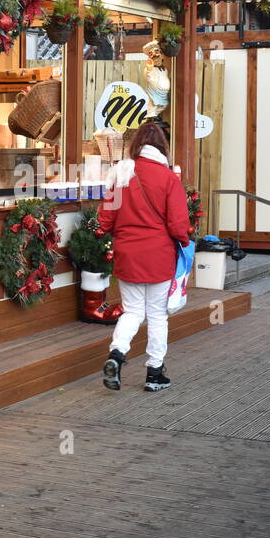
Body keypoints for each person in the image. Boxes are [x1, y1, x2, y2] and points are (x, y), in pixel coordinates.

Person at [99, 121, 190, 392]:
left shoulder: (121, 175)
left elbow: (105, 219)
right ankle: (154, 373)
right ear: (163, 147)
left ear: (136, 145)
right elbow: (177, 224)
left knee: (132, 311)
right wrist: (185, 241)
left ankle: (116, 355)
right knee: (157, 315)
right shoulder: (169, 178)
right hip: (159, 256)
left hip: (128, 254)